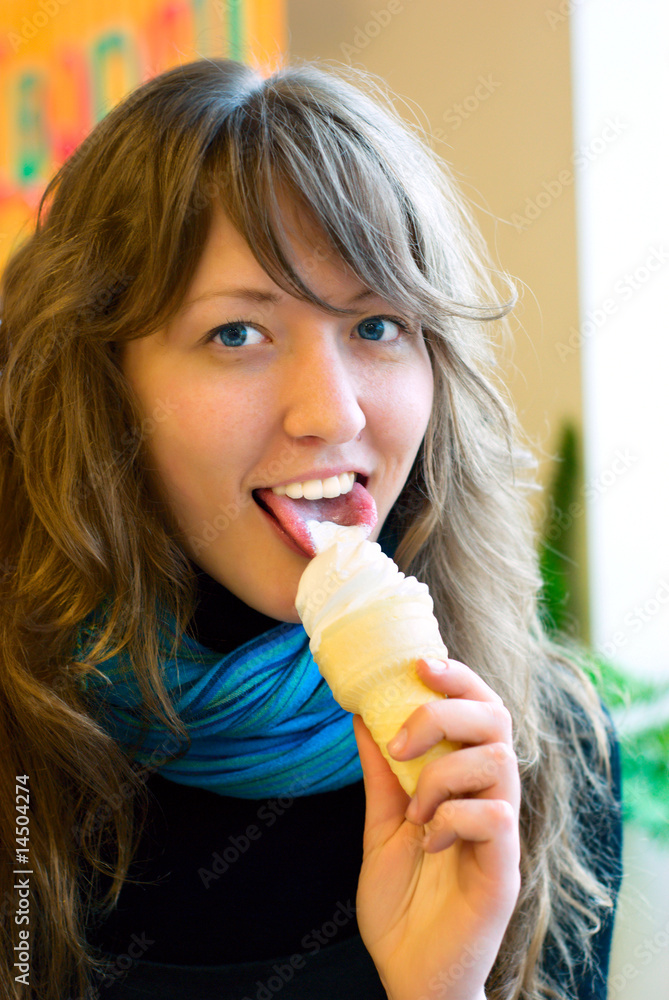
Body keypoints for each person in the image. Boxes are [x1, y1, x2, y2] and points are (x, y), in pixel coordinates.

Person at [0, 57, 622, 1000]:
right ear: (101, 386)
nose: (331, 415)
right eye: (237, 334)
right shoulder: (21, 755)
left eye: (375, 325)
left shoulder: (540, 750)